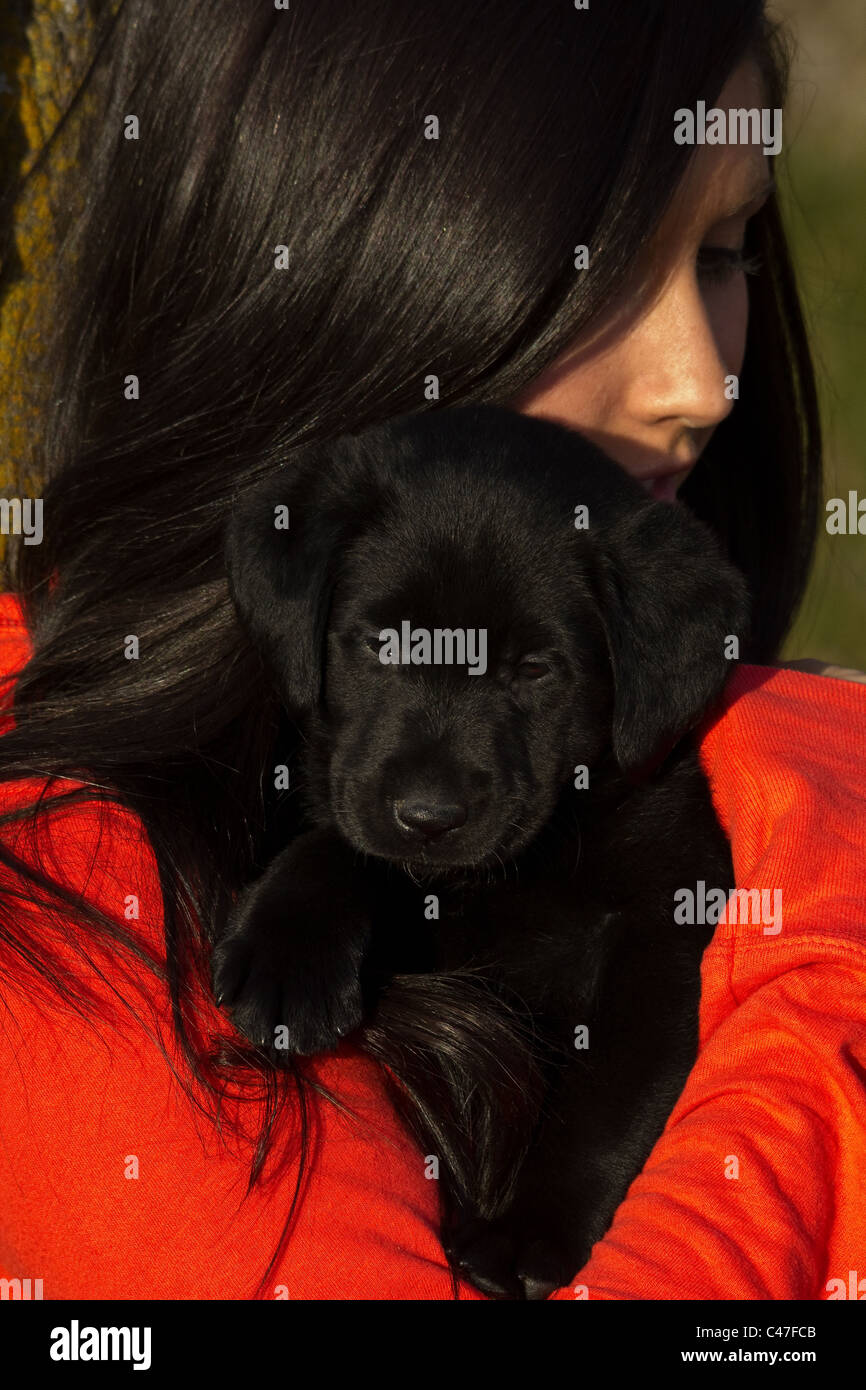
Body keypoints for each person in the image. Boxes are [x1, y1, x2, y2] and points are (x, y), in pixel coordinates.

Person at [0, 0, 863, 1301]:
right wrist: (830, 936)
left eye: (727, 253)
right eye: (607, 264)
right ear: (342, 256)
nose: (698, 382)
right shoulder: (74, 888)